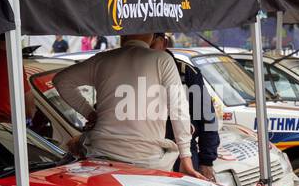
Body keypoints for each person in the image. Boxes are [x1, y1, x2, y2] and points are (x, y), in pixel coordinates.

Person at [53, 34, 201, 176]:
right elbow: (178, 110)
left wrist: (90, 113)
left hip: (101, 157)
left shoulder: (103, 60)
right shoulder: (162, 60)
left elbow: (61, 80)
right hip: (148, 162)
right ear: (151, 34)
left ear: (121, 33)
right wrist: (186, 158)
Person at [151, 33, 219, 180]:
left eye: (150, 44)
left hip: (183, 154)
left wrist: (207, 161)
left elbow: (208, 118)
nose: (144, 50)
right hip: (145, 154)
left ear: (163, 42)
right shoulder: (131, 70)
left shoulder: (187, 73)